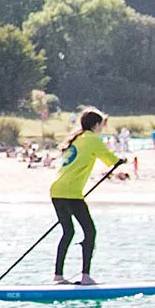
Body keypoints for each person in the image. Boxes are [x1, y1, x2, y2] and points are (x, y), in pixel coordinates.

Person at [51, 108, 122, 285]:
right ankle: (85, 276)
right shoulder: (92, 140)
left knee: (68, 232)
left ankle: (58, 276)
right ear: (96, 125)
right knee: (90, 232)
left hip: (56, 191)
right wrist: (121, 161)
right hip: (71, 193)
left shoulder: (76, 139)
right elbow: (110, 160)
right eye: (101, 125)